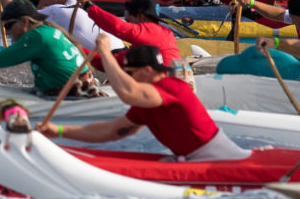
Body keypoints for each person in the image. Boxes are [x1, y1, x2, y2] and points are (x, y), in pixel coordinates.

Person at [48, 37, 248, 161]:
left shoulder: (172, 87)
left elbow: (128, 93)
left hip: (220, 158)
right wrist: (58, 130)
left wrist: (105, 54)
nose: (127, 77)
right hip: (191, 158)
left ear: (146, 70)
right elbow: (110, 131)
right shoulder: (148, 101)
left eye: (130, 73)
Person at [0, 0, 91, 97]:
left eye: (9, 26)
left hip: (73, 95)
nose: (8, 32)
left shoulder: (37, 37)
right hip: (78, 90)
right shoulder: (48, 31)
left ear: (25, 21)